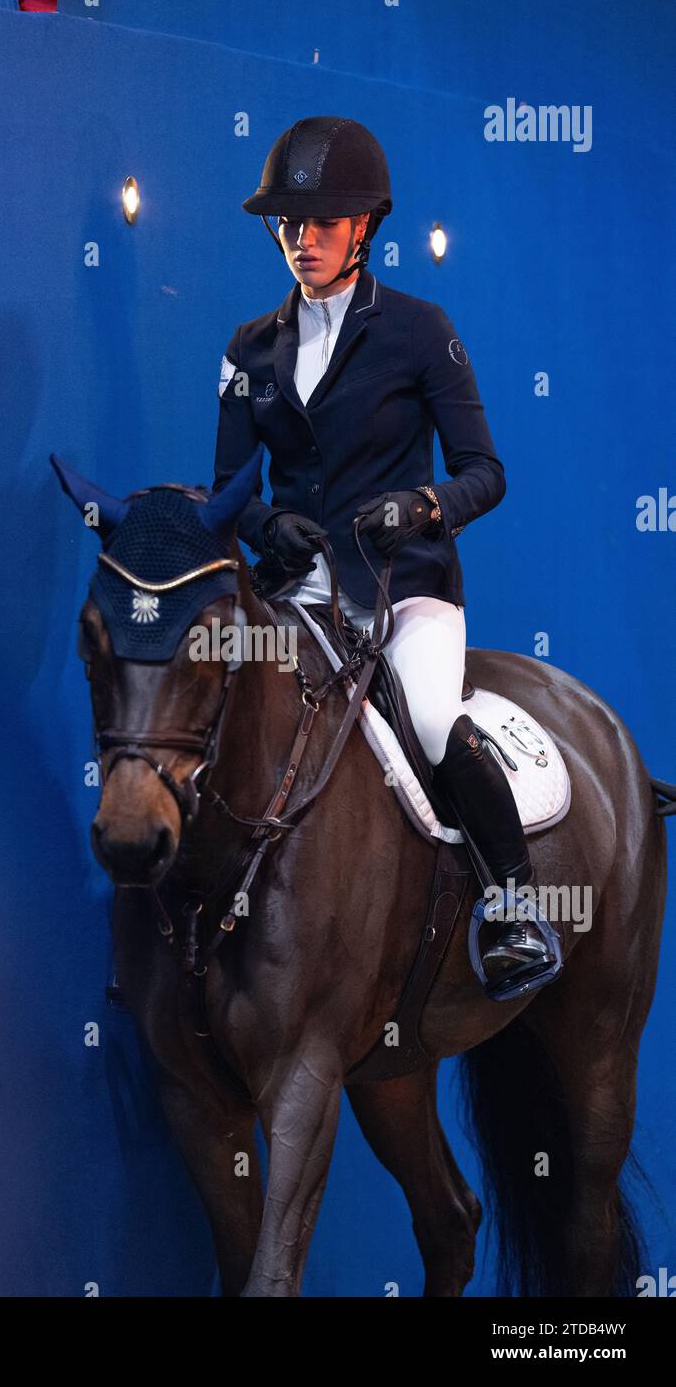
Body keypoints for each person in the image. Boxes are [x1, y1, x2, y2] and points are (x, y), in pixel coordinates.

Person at [212, 115, 558, 994]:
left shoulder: (417, 329)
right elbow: (227, 492)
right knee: (219, 710)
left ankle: (514, 911)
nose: (302, 241)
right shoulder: (249, 348)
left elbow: (487, 473)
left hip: (406, 590)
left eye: (322, 224)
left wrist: (424, 503)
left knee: (434, 720)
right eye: (290, 225)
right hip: (299, 596)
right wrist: (262, 527)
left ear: (365, 227)